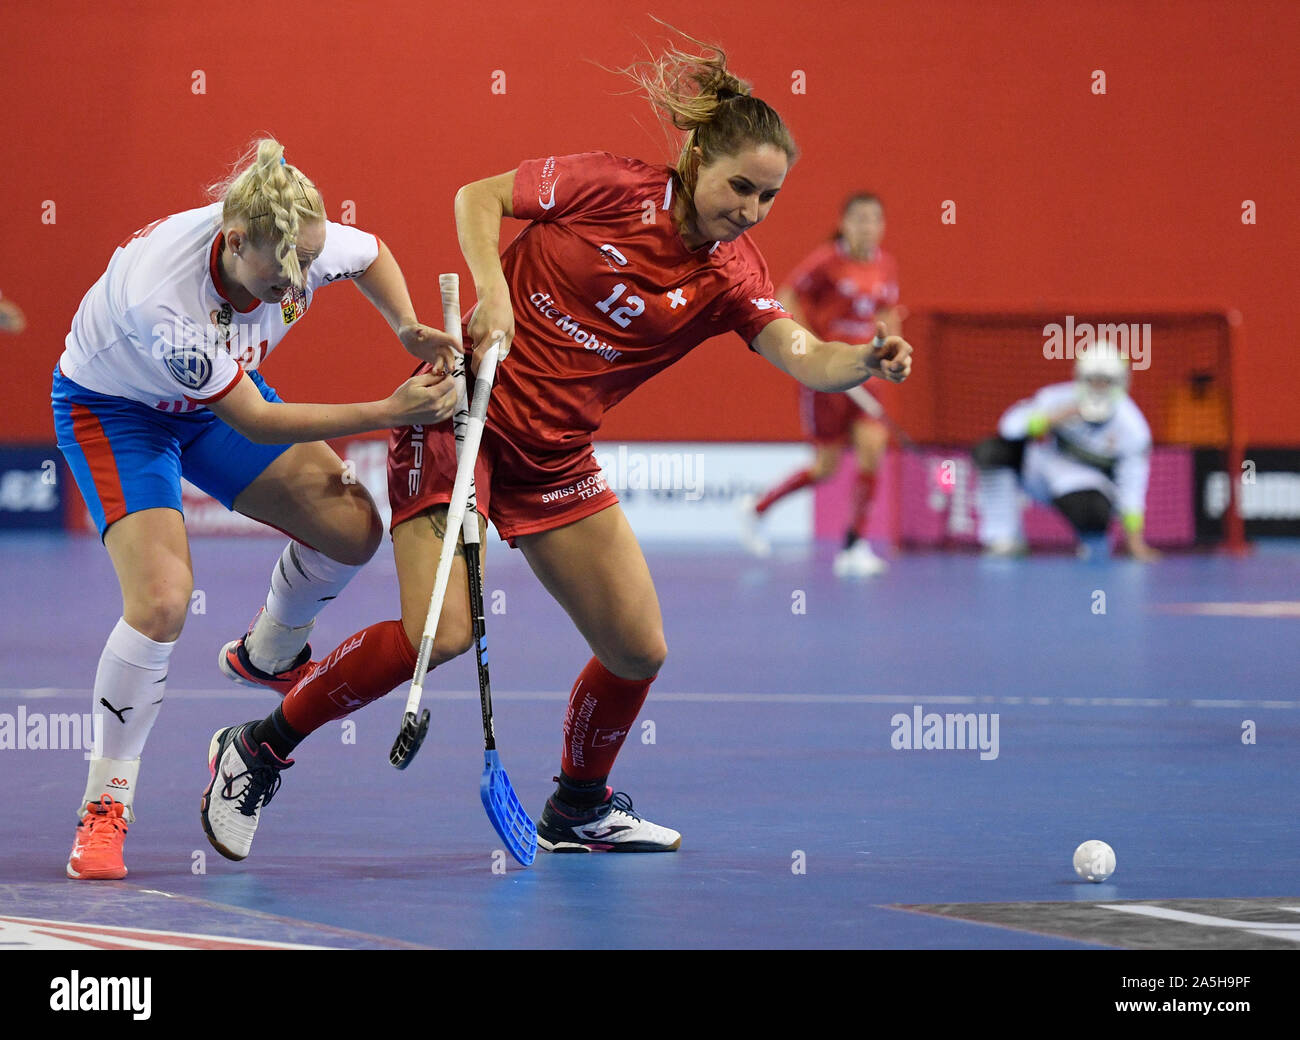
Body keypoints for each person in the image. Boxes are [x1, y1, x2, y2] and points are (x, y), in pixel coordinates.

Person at [200, 36, 913, 862]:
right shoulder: (610, 186)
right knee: (442, 633)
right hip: (458, 415)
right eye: (740, 186)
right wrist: (492, 292)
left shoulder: (732, 273)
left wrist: (859, 359)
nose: (751, 209)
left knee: (637, 647)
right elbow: (479, 197)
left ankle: (578, 805)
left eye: (770, 196)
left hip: (554, 455)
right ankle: (257, 745)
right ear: (695, 159)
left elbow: (800, 353)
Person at [54, 137, 459, 880]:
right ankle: (105, 805)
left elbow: (370, 255)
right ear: (234, 241)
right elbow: (257, 421)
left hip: (212, 404)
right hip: (118, 412)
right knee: (161, 602)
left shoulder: (291, 228)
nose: (301, 280)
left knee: (353, 529)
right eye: (286, 268)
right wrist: (388, 408)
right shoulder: (164, 299)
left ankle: (267, 652)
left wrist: (403, 325)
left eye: (309, 260)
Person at [739, 193, 902, 576]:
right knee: (826, 467)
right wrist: (813, 348)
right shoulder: (827, 261)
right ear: (844, 224)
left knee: (872, 449)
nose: (868, 227)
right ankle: (757, 508)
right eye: (859, 219)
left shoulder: (886, 266)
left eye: (875, 219)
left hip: (867, 373)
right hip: (827, 376)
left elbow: (888, 312)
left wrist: (891, 350)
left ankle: (854, 545)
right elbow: (785, 297)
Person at [973, 342, 1161, 561]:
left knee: (1093, 512)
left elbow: (1132, 487)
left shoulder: (1133, 429)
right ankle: (1003, 538)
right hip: (1042, 470)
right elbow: (1009, 427)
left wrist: (1135, 543)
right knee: (991, 451)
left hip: (1083, 484)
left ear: (1120, 383)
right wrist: (1048, 419)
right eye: (1092, 381)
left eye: (1106, 382)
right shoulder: (1057, 398)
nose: (1098, 389)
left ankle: (1095, 543)